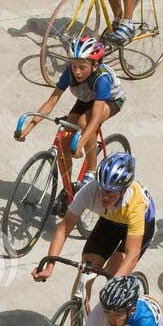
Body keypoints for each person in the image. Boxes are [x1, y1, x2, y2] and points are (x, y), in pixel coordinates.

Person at [33, 150, 153, 309]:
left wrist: (114, 284)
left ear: (123, 190)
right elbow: (64, 228)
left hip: (139, 227)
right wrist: (50, 264)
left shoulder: (135, 204)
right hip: (109, 222)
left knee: (114, 272)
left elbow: (133, 253)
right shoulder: (89, 191)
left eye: (111, 194)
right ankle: (78, 325)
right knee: (86, 273)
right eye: (103, 190)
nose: (104, 197)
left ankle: (108, 322)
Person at [16, 36, 126, 205]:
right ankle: (68, 192)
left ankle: (91, 170)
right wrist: (29, 127)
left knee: (84, 123)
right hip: (86, 97)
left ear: (95, 65)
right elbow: (51, 101)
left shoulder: (102, 79)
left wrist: (81, 142)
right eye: (74, 66)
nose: (77, 72)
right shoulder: (70, 73)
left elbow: (95, 117)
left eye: (82, 67)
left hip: (109, 101)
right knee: (63, 143)